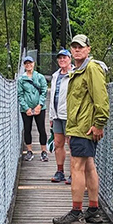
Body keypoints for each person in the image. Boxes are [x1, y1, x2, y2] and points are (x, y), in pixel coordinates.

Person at [52, 34, 109, 224]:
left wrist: (99, 123)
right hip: (81, 127)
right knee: (89, 166)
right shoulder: (79, 70)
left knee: (76, 167)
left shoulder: (91, 69)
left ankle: (77, 212)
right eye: (74, 47)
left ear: (88, 49)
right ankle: (93, 210)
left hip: (83, 129)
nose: (77, 50)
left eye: (80, 47)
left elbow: (101, 99)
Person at [48, 49, 73, 183]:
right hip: (57, 115)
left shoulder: (75, 75)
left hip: (69, 115)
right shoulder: (55, 76)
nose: (62, 60)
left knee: (71, 144)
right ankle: (60, 171)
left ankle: (74, 174)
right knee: (58, 143)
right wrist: (51, 117)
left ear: (70, 59)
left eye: (65, 58)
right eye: (60, 58)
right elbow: (52, 97)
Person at [17, 56, 48, 162]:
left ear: (34, 63)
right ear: (24, 65)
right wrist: (26, 108)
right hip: (26, 109)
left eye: (30, 63)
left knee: (42, 129)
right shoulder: (21, 79)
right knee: (27, 129)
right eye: (26, 63)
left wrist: (40, 105)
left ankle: (44, 151)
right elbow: (20, 95)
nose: (28, 65)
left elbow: (44, 91)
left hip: (40, 108)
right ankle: (29, 151)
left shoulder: (40, 77)